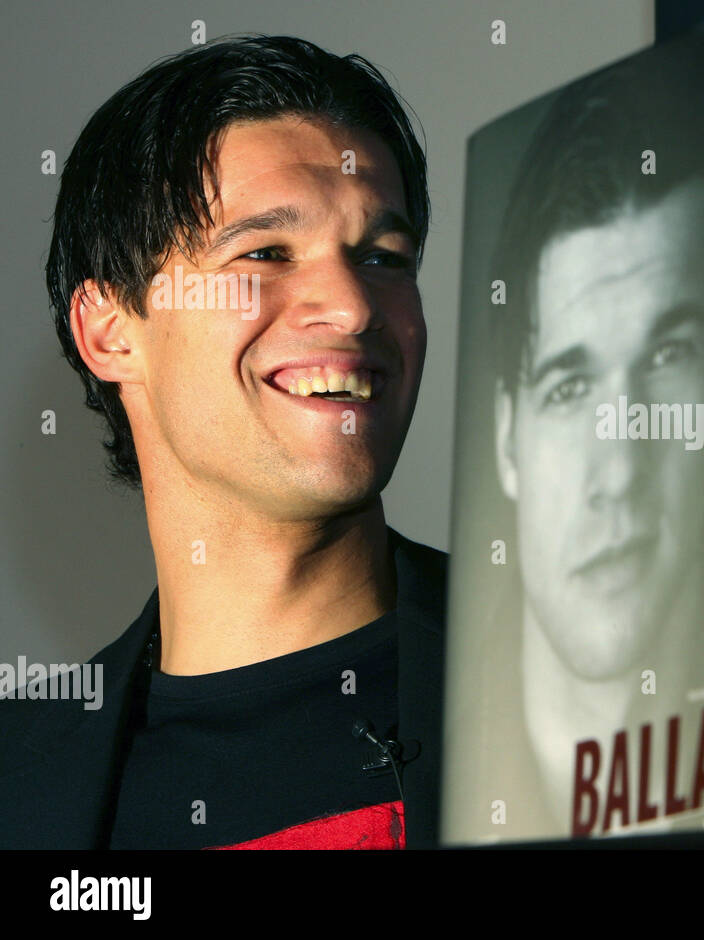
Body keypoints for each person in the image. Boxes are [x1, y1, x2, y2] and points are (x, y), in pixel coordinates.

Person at [0, 36, 447, 848]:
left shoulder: (594, 674)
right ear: (110, 332)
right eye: (267, 253)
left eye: (384, 257)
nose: (351, 305)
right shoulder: (19, 780)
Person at [447, 33, 704, 841]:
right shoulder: (408, 766)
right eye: (570, 387)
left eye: (668, 357)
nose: (619, 469)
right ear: (507, 435)